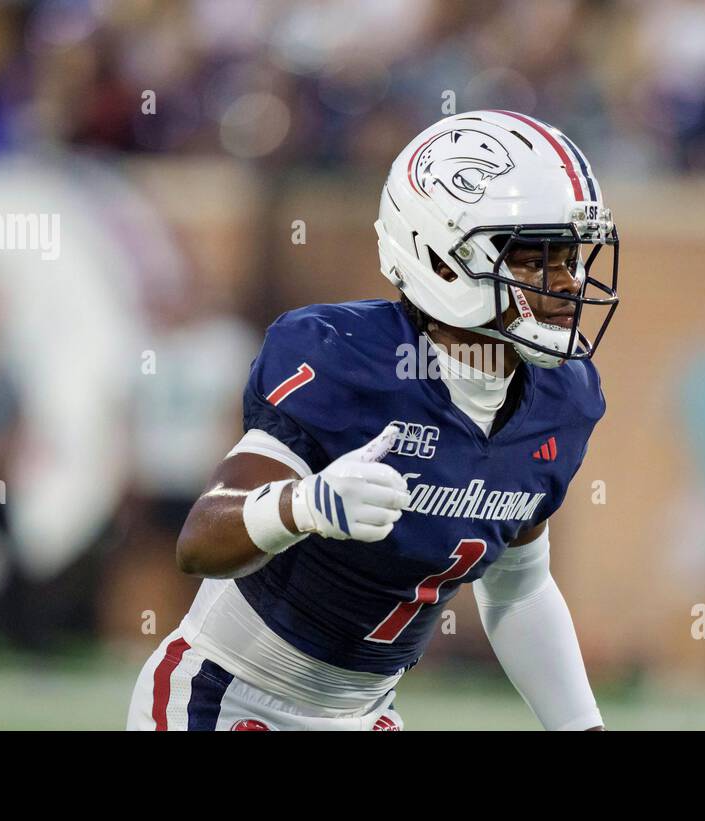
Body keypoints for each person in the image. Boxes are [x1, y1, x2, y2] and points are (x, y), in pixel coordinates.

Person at [127, 110, 619, 730]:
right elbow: (199, 540)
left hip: (367, 715)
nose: (567, 285)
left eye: (571, 258)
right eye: (534, 261)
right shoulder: (345, 358)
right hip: (228, 698)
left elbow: (519, 589)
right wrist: (304, 506)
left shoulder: (559, 398)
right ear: (442, 260)